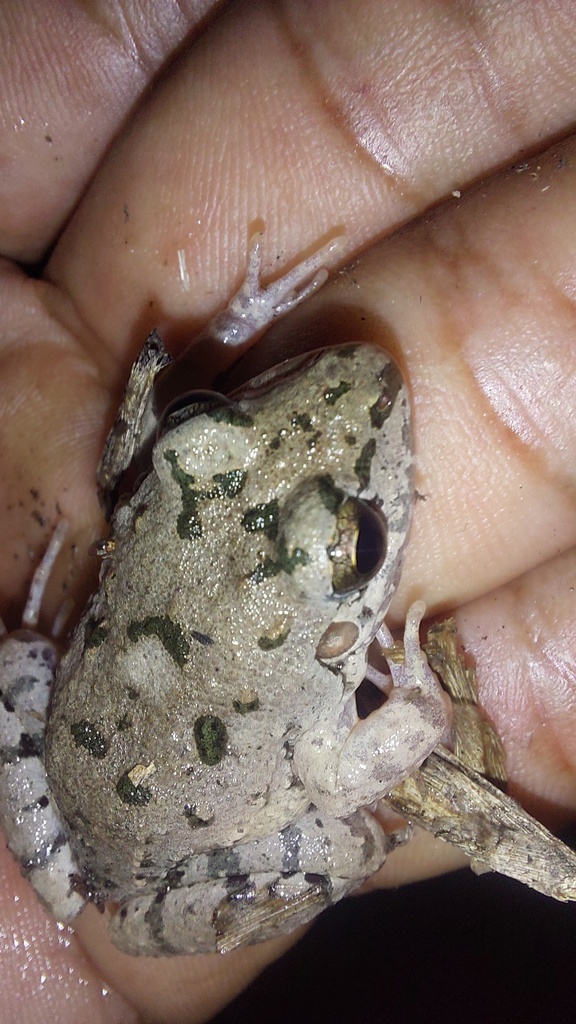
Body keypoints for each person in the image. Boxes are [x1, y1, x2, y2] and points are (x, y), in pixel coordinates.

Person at [1, 1, 575, 1021]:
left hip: (69, 773)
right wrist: (422, 711)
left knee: (17, 663)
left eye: (210, 416)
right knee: (347, 833)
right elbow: (350, 762)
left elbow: (135, 452)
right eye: (353, 542)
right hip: (144, 854)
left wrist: (227, 331)